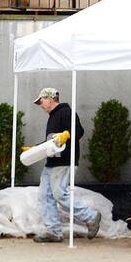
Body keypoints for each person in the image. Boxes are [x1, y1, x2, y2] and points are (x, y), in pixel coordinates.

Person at [31, 87, 100, 243]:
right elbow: (52, 141)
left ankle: (91, 217)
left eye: (41, 101)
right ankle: (53, 231)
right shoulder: (53, 116)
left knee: (59, 194)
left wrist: (67, 134)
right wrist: (36, 149)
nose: (41, 105)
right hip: (52, 163)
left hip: (63, 162)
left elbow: (79, 131)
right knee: (45, 195)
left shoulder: (66, 112)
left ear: (50, 99)